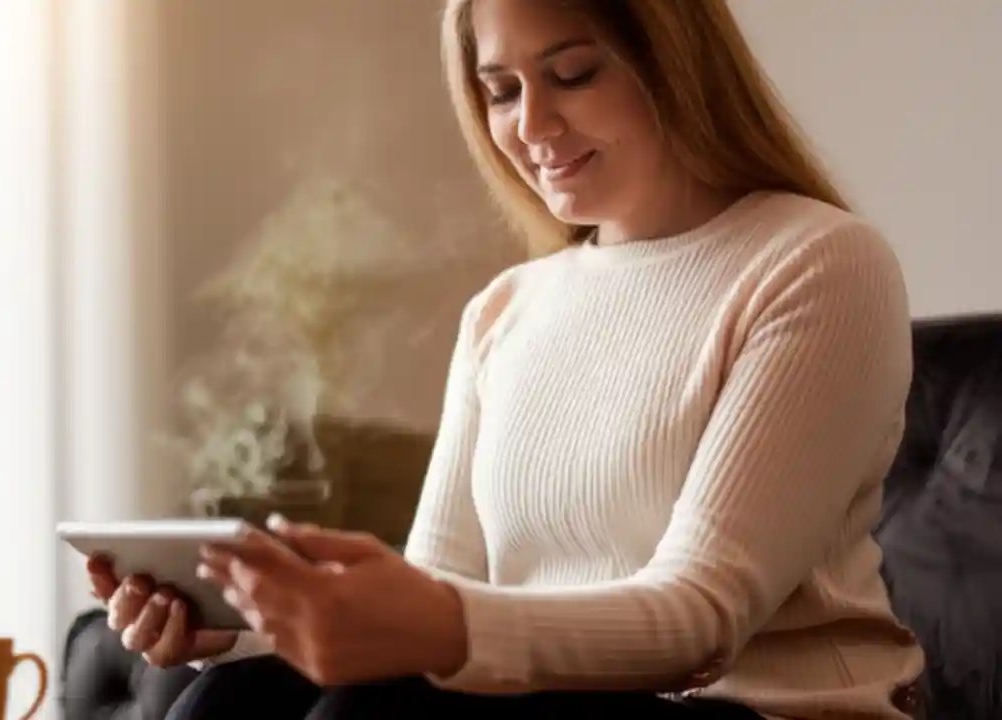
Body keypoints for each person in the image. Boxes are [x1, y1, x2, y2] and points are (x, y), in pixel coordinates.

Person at [87, 1, 926, 718]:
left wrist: (436, 624)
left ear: (674, 62)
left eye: (572, 75)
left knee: (379, 707)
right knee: (229, 700)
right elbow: (440, 589)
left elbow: (700, 620)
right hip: (548, 704)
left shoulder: (817, 262)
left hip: (752, 710)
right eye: (500, 91)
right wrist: (235, 628)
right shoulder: (505, 310)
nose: (531, 127)